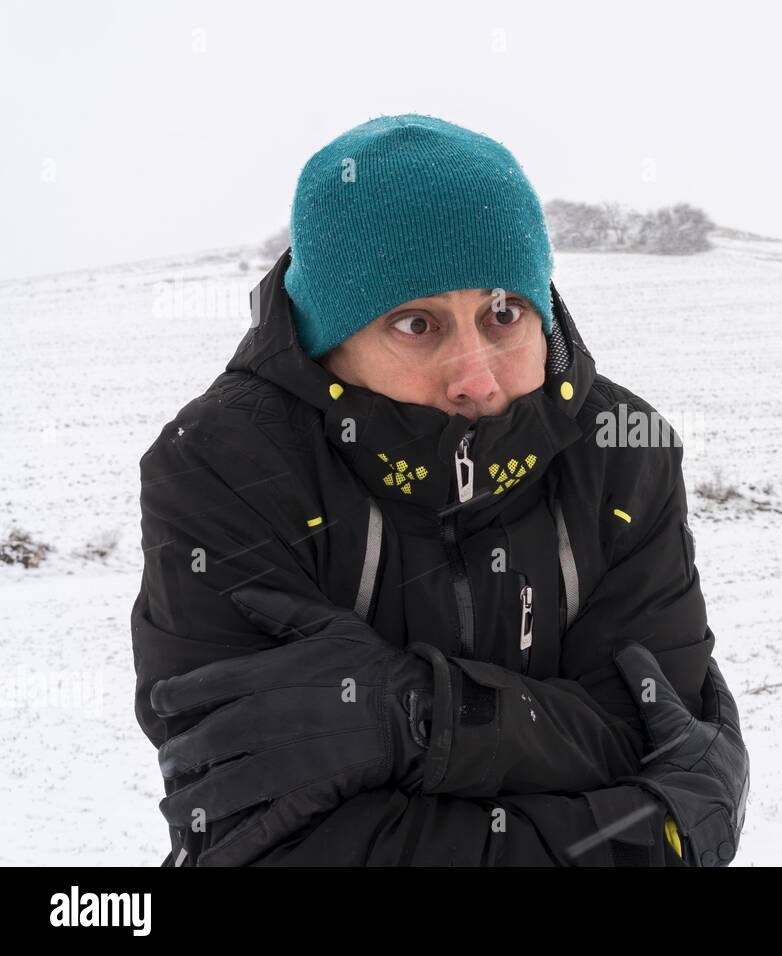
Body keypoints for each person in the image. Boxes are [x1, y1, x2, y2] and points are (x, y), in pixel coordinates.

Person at [130, 113, 749, 866]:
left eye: (503, 312)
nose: (477, 377)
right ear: (330, 342)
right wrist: (648, 840)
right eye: (416, 324)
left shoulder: (622, 451)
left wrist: (417, 717)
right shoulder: (223, 467)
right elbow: (261, 839)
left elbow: (644, 726)